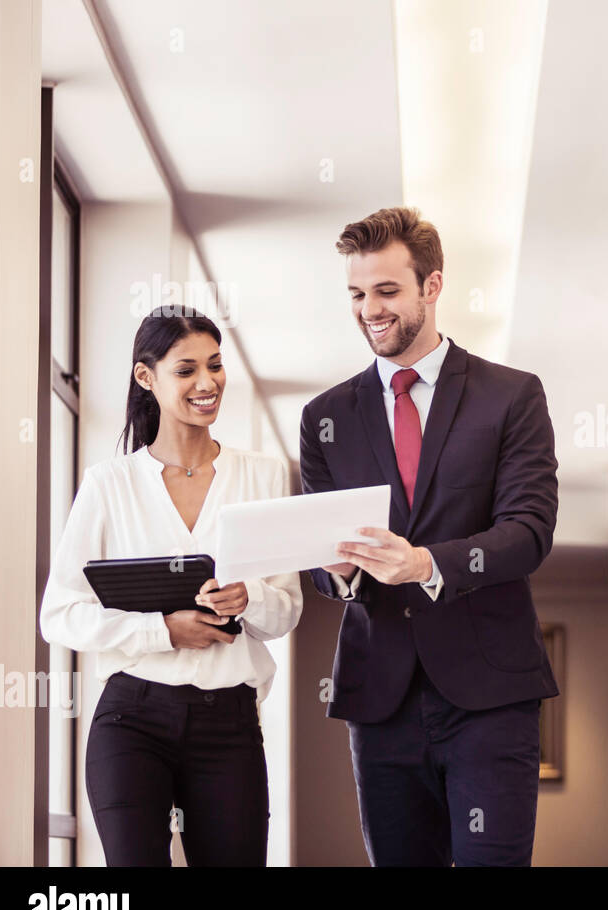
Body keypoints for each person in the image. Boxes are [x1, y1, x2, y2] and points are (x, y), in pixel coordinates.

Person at [299, 206, 559, 867]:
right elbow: (318, 561)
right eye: (357, 295)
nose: (370, 310)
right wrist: (344, 571)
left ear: (432, 286)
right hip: (380, 700)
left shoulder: (511, 396)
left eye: (387, 291)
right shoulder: (325, 417)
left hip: (491, 697)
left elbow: (528, 532)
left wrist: (424, 564)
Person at [39, 306, 303, 866]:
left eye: (214, 366)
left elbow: (286, 613)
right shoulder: (108, 485)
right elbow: (60, 613)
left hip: (229, 721)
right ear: (146, 377)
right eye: (186, 371)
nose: (207, 384)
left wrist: (249, 597)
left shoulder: (264, 475)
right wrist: (163, 631)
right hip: (131, 718)